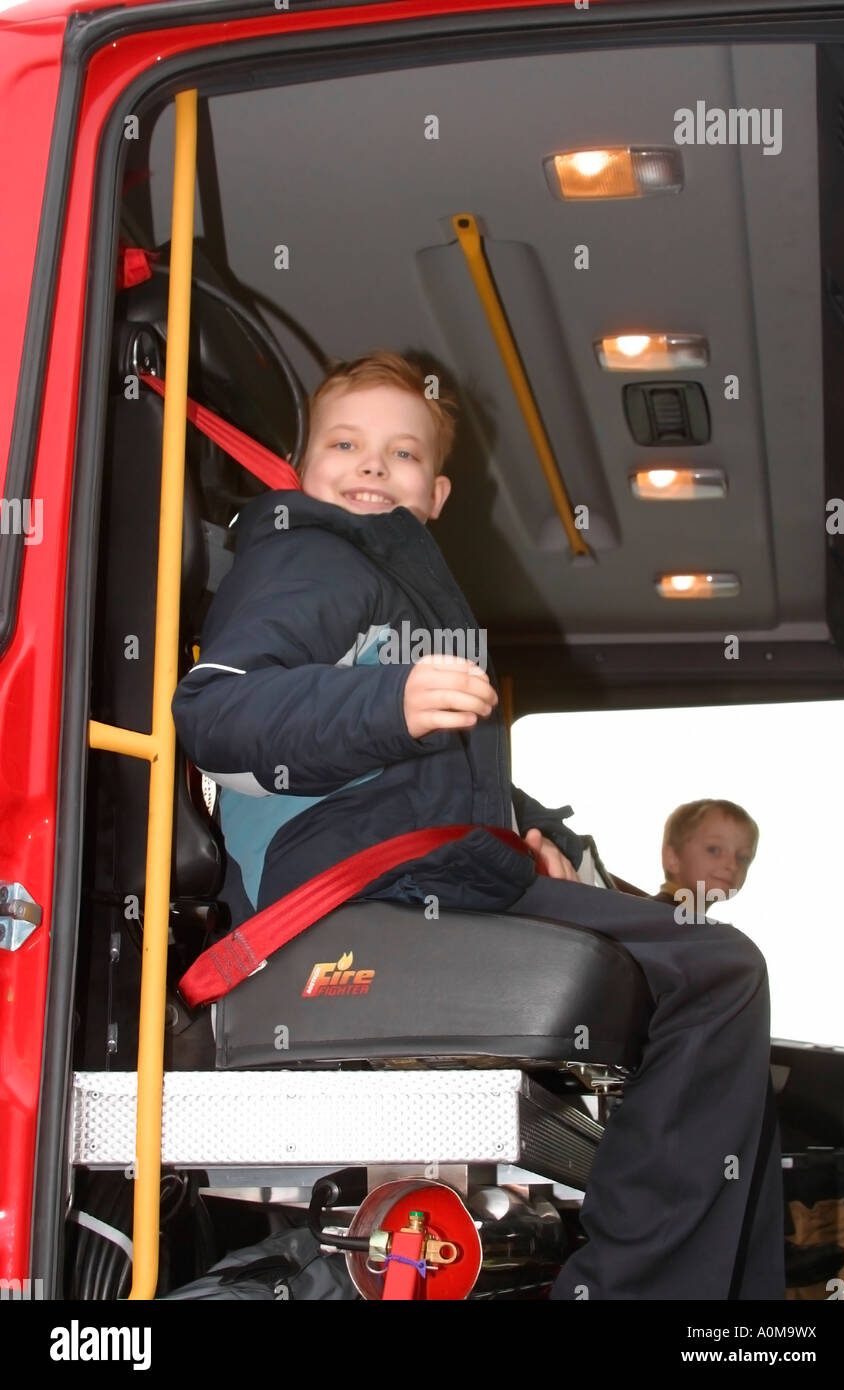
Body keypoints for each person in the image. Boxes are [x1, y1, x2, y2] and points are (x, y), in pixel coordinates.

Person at [171, 351, 784, 1301]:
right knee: (718, 971)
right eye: (345, 444)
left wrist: (558, 852)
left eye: (402, 453)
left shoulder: (415, 595)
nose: (372, 467)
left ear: (438, 490)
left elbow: (448, 782)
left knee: (708, 965)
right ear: (298, 469)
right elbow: (215, 716)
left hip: (425, 870)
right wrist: (388, 704)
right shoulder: (309, 550)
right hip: (353, 884)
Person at [653, 799, 759, 915]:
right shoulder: (652, 921)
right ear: (672, 858)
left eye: (743, 858)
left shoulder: (692, 925)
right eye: (714, 850)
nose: (733, 865)